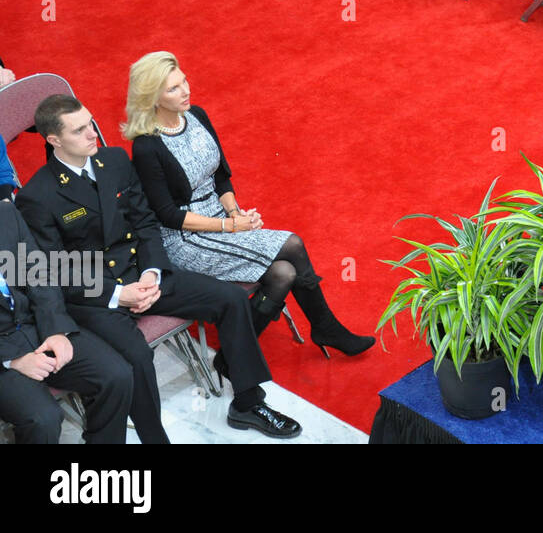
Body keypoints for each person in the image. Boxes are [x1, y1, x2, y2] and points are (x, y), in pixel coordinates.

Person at [16, 94, 302, 441]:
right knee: (136, 357)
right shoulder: (38, 195)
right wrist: (119, 294)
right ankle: (155, 438)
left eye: (91, 123)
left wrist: (152, 273)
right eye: (79, 130)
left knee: (230, 299)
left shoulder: (115, 160)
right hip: (97, 296)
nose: (93, 133)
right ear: (54, 140)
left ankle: (247, 402)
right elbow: (57, 269)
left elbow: (146, 223)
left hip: (143, 273)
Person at [126, 53, 374, 358]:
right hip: (186, 238)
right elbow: (168, 215)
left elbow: (220, 176)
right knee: (292, 245)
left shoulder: (198, 116)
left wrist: (235, 212)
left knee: (283, 273)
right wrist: (229, 226)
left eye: (184, 81)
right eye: (173, 89)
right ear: (153, 97)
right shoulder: (146, 146)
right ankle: (324, 327)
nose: (186, 90)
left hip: (220, 219)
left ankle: (236, 353)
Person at [0, 199, 133, 444]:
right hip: (4, 355)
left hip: (36, 326)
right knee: (43, 419)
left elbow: (38, 275)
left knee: (117, 376)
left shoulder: (6, 213)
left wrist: (56, 329)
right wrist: (13, 360)